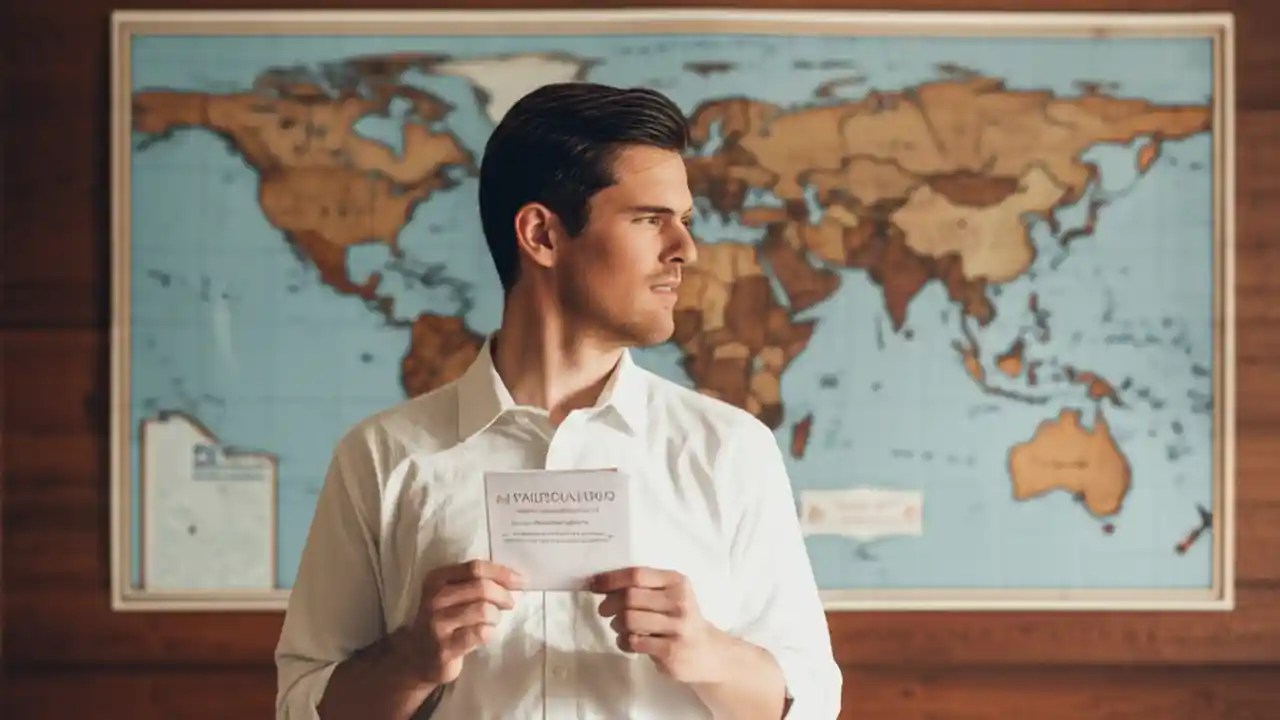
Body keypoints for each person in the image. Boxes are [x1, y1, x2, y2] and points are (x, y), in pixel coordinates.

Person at [275, 81, 842, 719]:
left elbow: (813, 703)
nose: (685, 250)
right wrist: (409, 660)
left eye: (683, 221)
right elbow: (301, 707)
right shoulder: (382, 457)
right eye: (650, 219)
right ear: (542, 234)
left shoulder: (731, 451)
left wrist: (707, 653)